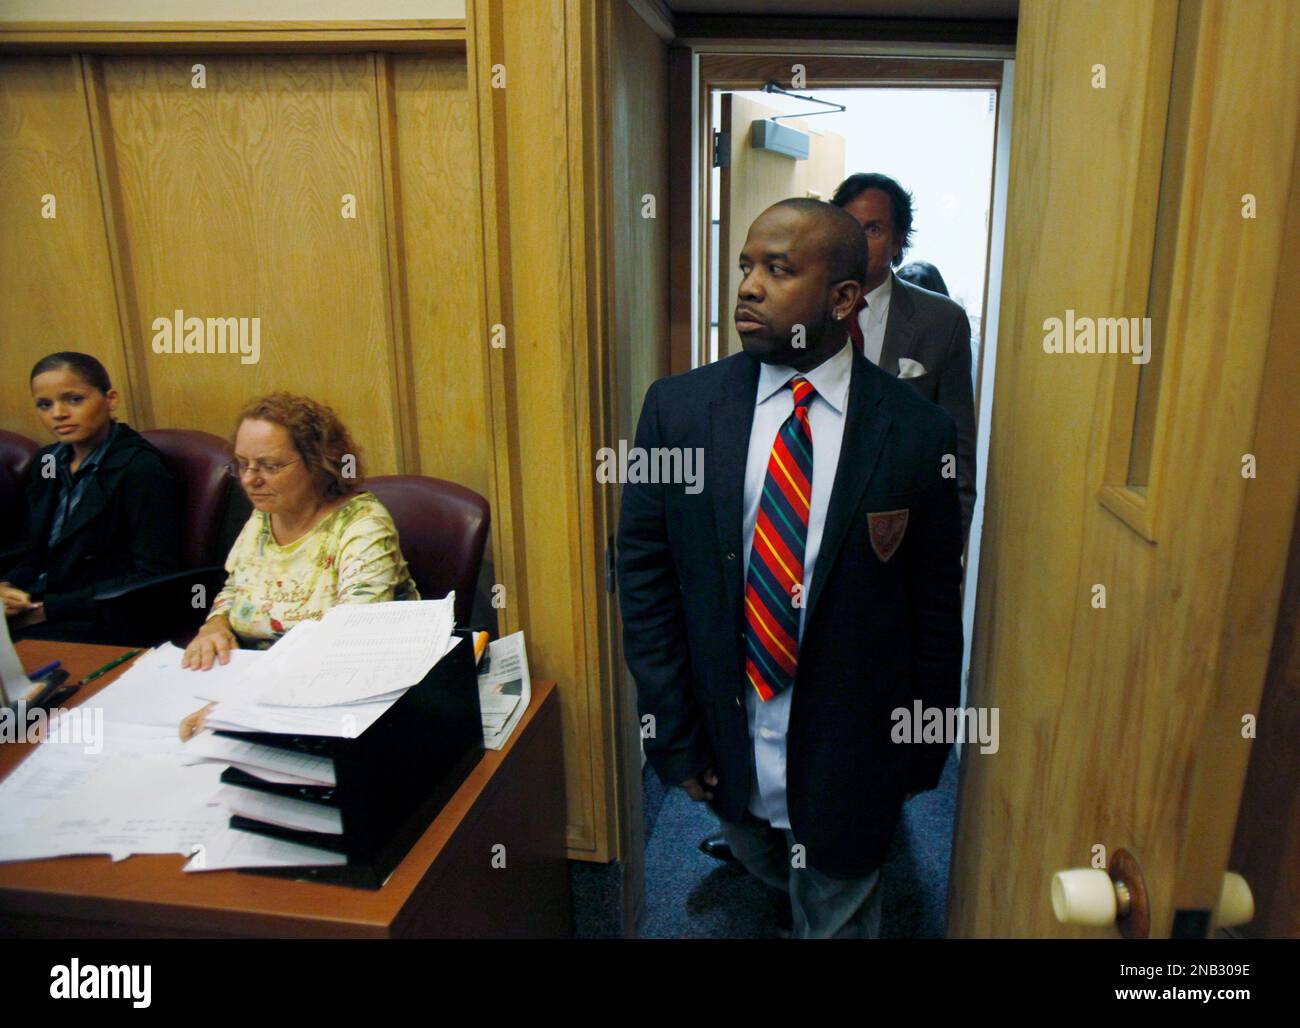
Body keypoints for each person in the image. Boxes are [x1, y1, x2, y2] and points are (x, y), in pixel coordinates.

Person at [619, 199, 963, 938]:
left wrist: (928, 736)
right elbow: (644, 582)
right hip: (723, 734)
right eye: (746, 265)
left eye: (778, 269)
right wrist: (669, 731)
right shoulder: (676, 411)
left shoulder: (916, 431)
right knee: (760, 856)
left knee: (837, 906)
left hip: (852, 747)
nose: (747, 286)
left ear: (843, 299)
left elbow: (934, 606)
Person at [182, 393, 418, 669]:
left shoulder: (363, 524)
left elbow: (354, 635)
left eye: (270, 466)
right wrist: (215, 625)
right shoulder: (263, 515)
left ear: (318, 463)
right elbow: (236, 588)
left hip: (340, 677)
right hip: (256, 674)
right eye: (243, 464)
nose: (249, 479)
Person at [831, 173, 977, 535]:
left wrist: (948, 544)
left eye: (873, 229)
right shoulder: (805, 310)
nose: (858, 241)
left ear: (898, 241)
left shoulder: (942, 321)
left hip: (898, 526)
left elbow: (956, 445)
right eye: (848, 227)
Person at [1, 352, 181, 645]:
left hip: (103, 614)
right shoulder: (47, 461)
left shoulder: (140, 467)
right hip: (43, 600)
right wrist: (8, 586)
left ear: (110, 399)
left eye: (74, 399)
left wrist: (49, 610)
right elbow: (34, 553)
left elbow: (153, 574)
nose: (58, 413)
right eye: (45, 405)